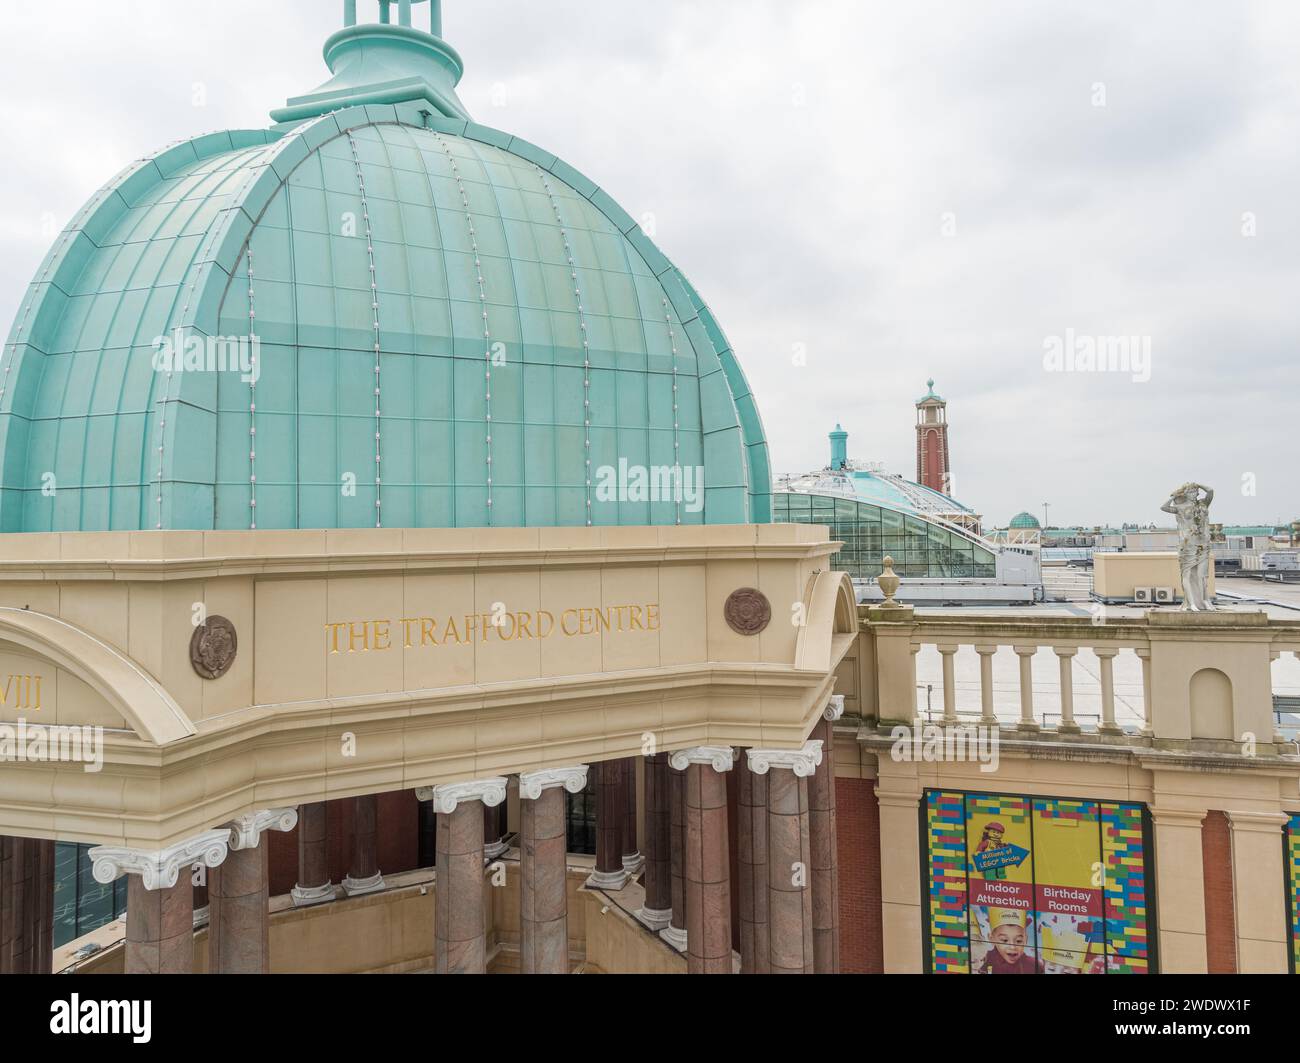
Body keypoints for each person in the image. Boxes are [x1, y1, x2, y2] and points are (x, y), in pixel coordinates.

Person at [1160, 482, 1215, 611]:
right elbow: (1164, 507)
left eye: (1195, 491)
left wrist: (1198, 484)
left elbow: (1211, 490)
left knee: (1202, 575)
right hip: (1188, 544)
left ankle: (1204, 600)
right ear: (1185, 494)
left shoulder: (1203, 504)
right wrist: (1175, 496)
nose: (1194, 493)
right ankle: (1191, 603)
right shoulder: (1181, 507)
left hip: (1202, 543)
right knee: (1187, 574)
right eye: (1190, 491)